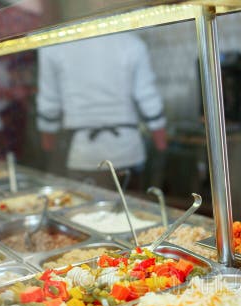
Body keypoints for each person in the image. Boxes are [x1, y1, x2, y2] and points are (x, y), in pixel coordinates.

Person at [36, 32, 167, 189]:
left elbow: (49, 104)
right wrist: (161, 151)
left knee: (84, 204)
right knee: (130, 204)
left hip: (82, 153)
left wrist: (48, 157)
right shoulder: (132, 42)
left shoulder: (53, 46)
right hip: (127, 150)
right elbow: (147, 97)